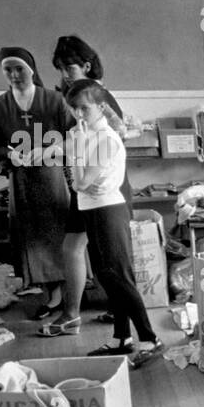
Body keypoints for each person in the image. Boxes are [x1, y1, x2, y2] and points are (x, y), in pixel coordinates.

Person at [51, 79, 161, 367]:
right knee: (106, 274)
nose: (78, 115)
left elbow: (80, 182)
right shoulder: (87, 136)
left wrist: (74, 153)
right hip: (94, 209)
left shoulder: (106, 138)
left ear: (101, 107)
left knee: (118, 276)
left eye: (84, 108)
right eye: (73, 109)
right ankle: (121, 337)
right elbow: (83, 184)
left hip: (109, 211)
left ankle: (151, 339)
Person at [50, 35, 134, 329]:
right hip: (87, 185)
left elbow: (117, 134)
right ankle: (106, 312)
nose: (63, 75)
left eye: (68, 69)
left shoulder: (95, 96)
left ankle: (73, 313)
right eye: (59, 69)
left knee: (90, 251)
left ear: (86, 65)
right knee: (91, 251)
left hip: (103, 187)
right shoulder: (76, 97)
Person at [0, 46, 73, 317]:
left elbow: (74, 137)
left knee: (58, 236)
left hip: (51, 178)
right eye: (8, 70)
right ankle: (51, 295)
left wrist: (48, 151)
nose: (14, 74)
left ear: (31, 70)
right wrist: (10, 153)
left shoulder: (53, 100)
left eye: (19, 68)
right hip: (21, 180)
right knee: (30, 238)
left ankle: (68, 296)